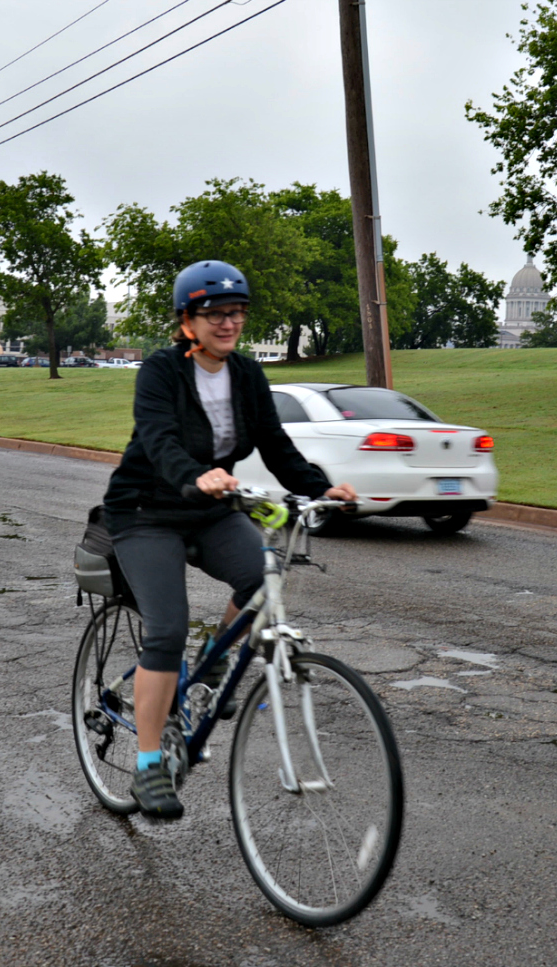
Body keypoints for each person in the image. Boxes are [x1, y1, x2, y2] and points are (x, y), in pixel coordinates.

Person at [100, 260, 358, 819]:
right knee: (165, 628)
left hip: (211, 509)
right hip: (147, 511)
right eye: (214, 313)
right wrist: (196, 474)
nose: (228, 322)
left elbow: (275, 442)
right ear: (187, 321)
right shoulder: (161, 372)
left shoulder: (245, 375)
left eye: (236, 312)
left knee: (261, 574)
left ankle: (213, 661)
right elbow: (160, 439)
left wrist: (321, 487)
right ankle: (148, 765)